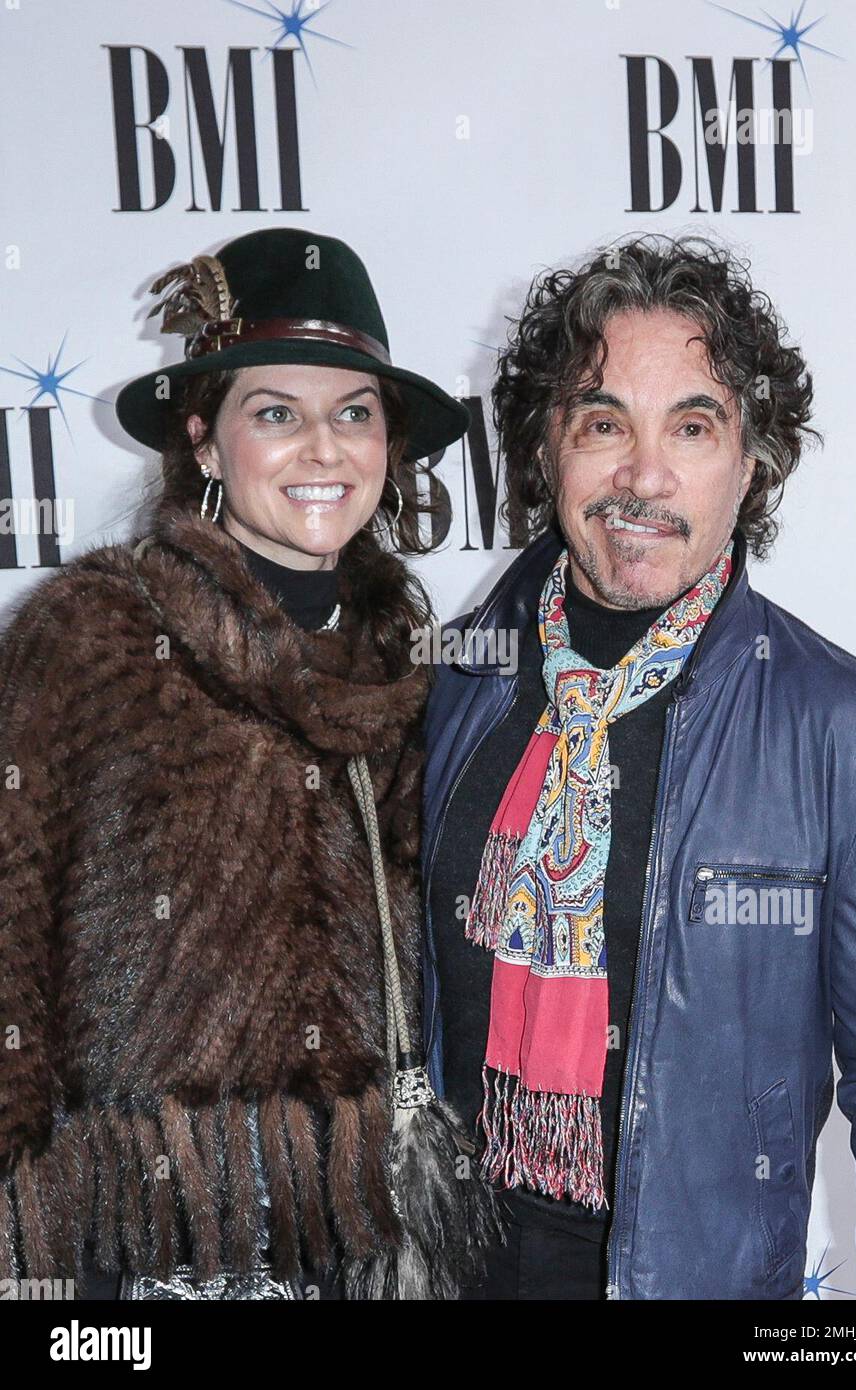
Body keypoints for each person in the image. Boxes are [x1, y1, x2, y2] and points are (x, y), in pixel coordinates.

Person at [421, 234, 856, 1300]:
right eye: (603, 423)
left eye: (691, 428)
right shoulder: (460, 679)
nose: (641, 477)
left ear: (749, 464)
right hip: (448, 1271)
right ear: (546, 447)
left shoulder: (844, 726)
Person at [0, 226, 494, 1301]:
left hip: (366, 1232)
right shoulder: (90, 637)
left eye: (353, 413)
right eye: (277, 412)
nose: (324, 448)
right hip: (153, 1243)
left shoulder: (409, 659)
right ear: (206, 442)